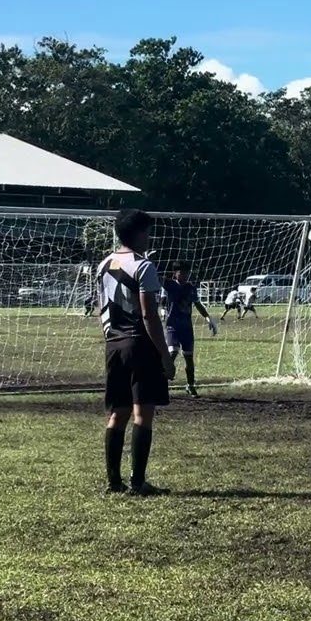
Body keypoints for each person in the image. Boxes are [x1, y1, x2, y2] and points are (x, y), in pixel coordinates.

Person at [96, 209, 174, 496]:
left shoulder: (103, 264)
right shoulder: (144, 266)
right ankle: (138, 483)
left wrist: (111, 339)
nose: (149, 237)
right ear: (139, 233)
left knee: (118, 413)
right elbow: (149, 315)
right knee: (143, 414)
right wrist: (164, 355)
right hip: (140, 345)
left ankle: (113, 482)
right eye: (147, 231)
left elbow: (101, 307)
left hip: (114, 344)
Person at [161, 262, 219, 397]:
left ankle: (190, 385)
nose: (185, 275)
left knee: (189, 357)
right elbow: (163, 300)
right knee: (172, 353)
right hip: (172, 326)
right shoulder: (169, 285)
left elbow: (197, 304)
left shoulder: (190, 288)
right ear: (175, 273)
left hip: (186, 328)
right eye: (182, 272)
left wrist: (208, 318)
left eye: (187, 273)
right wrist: (163, 310)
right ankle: (161, 383)